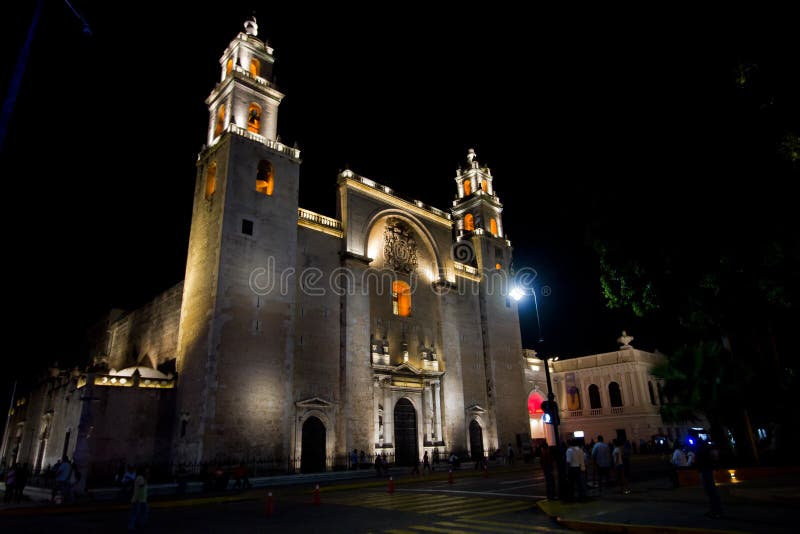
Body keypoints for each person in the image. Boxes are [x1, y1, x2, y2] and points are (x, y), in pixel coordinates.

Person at [694, 440, 722, 518]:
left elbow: (699, 461)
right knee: (712, 491)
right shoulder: (707, 450)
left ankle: (715, 511)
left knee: (710, 491)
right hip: (707, 470)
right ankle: (716, 510)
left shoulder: (701, 451)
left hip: (705, 471)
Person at [128, 466, 150, 530]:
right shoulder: (140, 477)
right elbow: (141, 485)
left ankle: (140, 524)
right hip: (138, 499)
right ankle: (131, 526)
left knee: (143, 512)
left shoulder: (141, 477)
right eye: (146, 470)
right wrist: (146, 478)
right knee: (135, 513)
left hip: (142, 499)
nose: (147, 471)